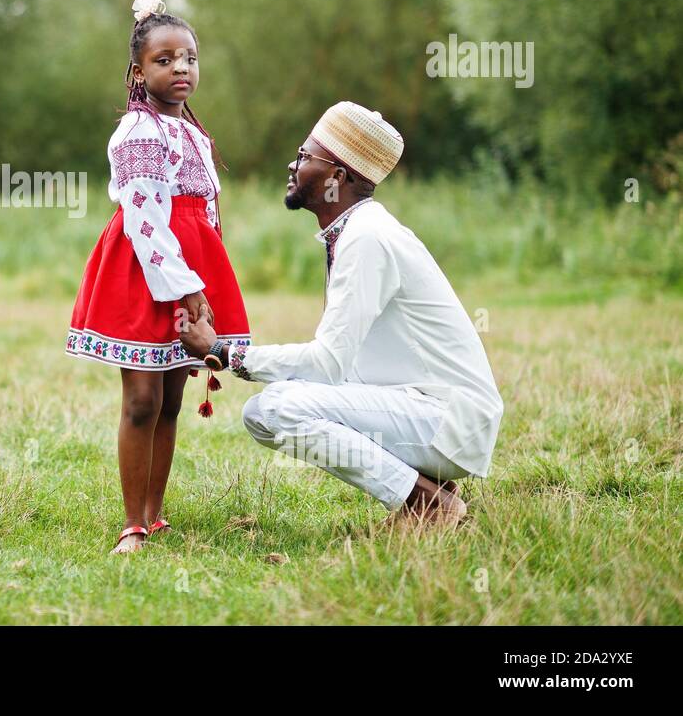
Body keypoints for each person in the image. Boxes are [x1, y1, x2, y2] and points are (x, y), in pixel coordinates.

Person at [179, 101, 503, 527]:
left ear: (337, 176)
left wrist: (227, 352)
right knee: (264, 411)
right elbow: (339, 369)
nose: (292, 165)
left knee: (276, 409)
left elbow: (326, 364)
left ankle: (425, 505)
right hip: (430, 414)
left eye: (304, 156)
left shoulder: (368, 238)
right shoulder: (353, 231)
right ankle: (428, 490)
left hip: (448, 421)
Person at [66, 0, 252, 553]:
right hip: (149, 268)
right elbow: (145, 217)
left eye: (190, 58)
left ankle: (155, 511)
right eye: (164, 59)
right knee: (142, 399)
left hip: (193, 267)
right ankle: (131, 523)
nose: (181, 69)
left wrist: (209, 277)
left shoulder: (195, 134)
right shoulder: (136, 132)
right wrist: (187, 286)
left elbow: (207, 212)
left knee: (172, 400)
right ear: (138, 69)